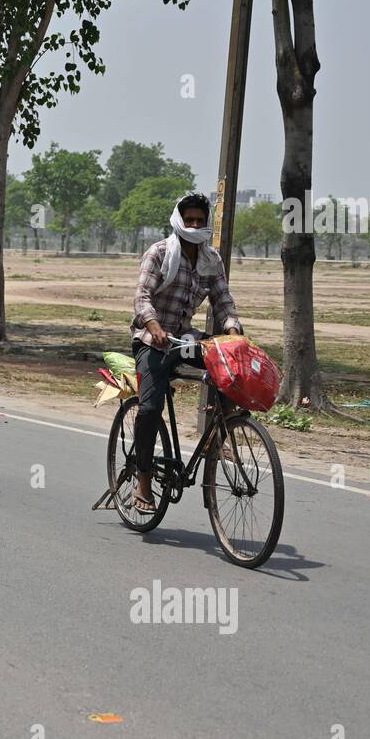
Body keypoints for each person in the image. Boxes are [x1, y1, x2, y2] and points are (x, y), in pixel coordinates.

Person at [130, 193, 242, 514]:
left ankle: (219, 435)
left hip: (185, 338)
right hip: (152, 339)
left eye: (199, 220)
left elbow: (224, 303)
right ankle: (143, 481)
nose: (194, 225)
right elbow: (142, 298)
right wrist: (153, 327)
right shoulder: (160, 253)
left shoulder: (212, 261)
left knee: (228, 358)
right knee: (149, 409)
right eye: (189, 220)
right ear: (179, 221)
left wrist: (233, 331)